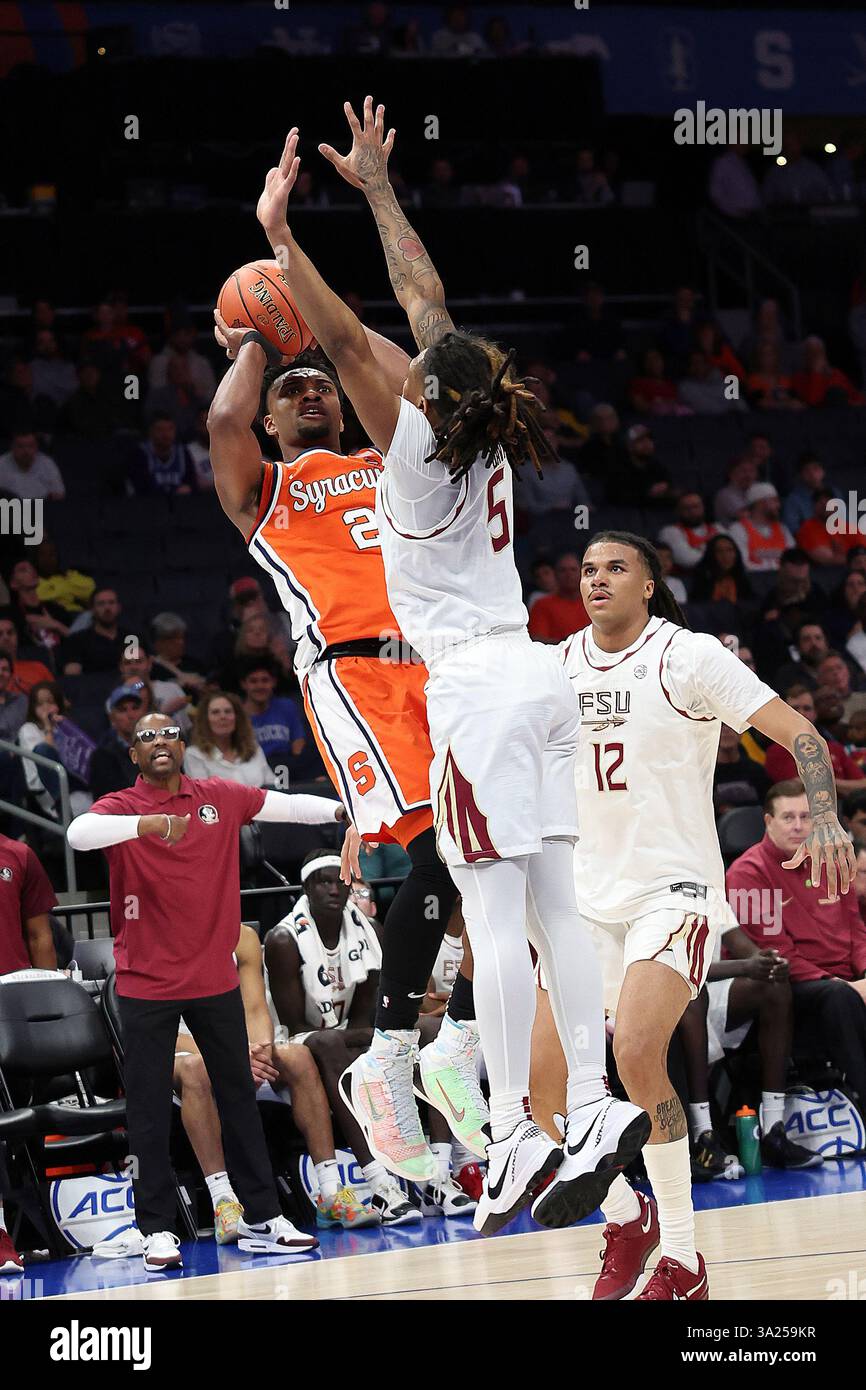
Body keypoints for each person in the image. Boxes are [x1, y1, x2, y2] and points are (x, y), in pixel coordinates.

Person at [268, 106, 649, 1237]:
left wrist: (284, 238)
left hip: (476, 693)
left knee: (491, 918)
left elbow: (347, 339)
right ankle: (586, 1103)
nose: (405, 362)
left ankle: (524, 1125)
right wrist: (381, 192)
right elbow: (426, 309)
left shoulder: (421, 449)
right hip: (537, 680)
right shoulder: (487, 429)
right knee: (554, 913)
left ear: (430, 393)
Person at [208, 136, 483, 1192]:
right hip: (356, 675)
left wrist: (312, 313)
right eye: (297, 392)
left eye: (317, 384)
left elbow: (397, 365)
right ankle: (398, 1057)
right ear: (277, 420)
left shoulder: (385, 458)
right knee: (422, 847)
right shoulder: (266, 494)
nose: (311, 392)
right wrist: (253, 338)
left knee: (471, 854)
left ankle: (439, 1041)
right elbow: (226, 419)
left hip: (441, 666)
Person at [557, 530, 854, 1300]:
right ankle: (628, 1217)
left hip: (673, 890)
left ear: (650, 584)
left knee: (636, 1057)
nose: (598, 580)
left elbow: (802, 735)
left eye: (617, 567)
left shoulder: (686, 656)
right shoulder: (557, 661)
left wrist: (825, 815)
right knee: (541, 1092)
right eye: (587, 569)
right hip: (583, 896)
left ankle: (684, 1259)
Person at [66, 712, 349, 1271]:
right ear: (135, 755)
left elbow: (283, 805)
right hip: (146, 982)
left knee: (240, 1096)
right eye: (146, 737)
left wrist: (345, 811)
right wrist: (145, 826)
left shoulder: (217, 795)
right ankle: (154, 1229)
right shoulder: (122, 808)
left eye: (167, 732)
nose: (159, 741)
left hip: (213, 976)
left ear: (182, 744)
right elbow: (78, 834)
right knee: (147, 1107)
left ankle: (263, 1218)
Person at [174, 921, 374, 1238]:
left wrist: (259, 1053)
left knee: (298, 1057)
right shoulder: (163, 940)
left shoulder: (243, 937)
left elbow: (255, 1009)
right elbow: (163, 1032)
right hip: (187, 1050)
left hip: (243, 1050)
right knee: (197, 1069)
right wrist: (230, 1059)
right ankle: (223, 1202)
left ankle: (331, 1191)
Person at [264, 851, 432, 1224]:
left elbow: (366, 1011)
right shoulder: (283, 940)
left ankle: (445, 1171)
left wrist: (363, 1036)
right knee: (327, 1045)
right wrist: (360, 1037)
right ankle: (379, 1182)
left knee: (425, 1030)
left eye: (340, 881)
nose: (334, 890)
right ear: (306, 888)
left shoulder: (369, 929)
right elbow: (294, 1029)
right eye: (323, 882)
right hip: (289, 1047)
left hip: (344, 1036)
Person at [726, 780, 866, 1111]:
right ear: (768, 821)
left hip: (845, 981)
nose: (799, 826)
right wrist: (847, 985)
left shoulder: (832, 861)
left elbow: (856, 930)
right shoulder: (749, 873)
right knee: (840, 998)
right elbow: (777, 956)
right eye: (788, 817)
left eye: (806, 816)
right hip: (790, 988)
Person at [677, 917, 821, 1173]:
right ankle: (703, 1136)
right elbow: (680, 968)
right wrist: (746, 966)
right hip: (670, 998)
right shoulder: (652, 887)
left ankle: (773, 1131)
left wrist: (769, 963)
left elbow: (742, 945)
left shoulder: (708, 886)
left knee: (774, 984)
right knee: (692, 994)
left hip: (709, 991)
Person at [183, 690, 275, 787]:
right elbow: (202, 796)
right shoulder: (194, 755)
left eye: (228, 711)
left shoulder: (253, 748)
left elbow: (271, 785)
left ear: (237, 718)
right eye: (215, 712)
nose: (223, 716)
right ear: (205, 720)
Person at [239, 657, 306, 773]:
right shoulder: (236, 712)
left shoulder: (286, 706)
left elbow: (298, 742)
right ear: (244, 684)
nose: (260, 686)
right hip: (250, 768)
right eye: (253, 681)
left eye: (265, 680)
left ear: (273, 682)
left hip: (285, 766)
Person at [88, 685, 146, 799]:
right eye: (122, 710)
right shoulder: (102, 756)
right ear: (112, 719)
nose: (131, 715)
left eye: (135, 708)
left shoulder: (157, 747)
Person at [727, 483, 795, 573]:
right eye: (774, 501)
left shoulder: (782, 529)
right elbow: (742, 564)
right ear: (760, 503)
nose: (778, 505)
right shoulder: (738, 529)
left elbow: (793, 560)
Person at [604, 424, 675, 509]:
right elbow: (618, 497)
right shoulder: (618, 469)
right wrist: (648, 493)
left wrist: (665, 486)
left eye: (649, 439)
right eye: (640, 441)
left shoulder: (656, 465)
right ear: (629, 446)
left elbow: (669, 482)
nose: (647, 444)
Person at [128, 415, 198, 496]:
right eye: (160, 429)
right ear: (151, 432)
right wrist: (170, 492)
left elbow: (193, 484)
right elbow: (140, 487)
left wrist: (189, 488)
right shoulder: (140, 454)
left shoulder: (182, 452)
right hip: (150, 504)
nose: (165, 434)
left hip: (181, 503)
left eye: (170, 429)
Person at [527, 552, 590, 643]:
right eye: (563, 570)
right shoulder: (542, 605)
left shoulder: (595, 603)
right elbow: (538, 640)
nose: (569, 574)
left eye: (573, 569)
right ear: (555, 574)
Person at [62, 589, 124, 676]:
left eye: (111, 602)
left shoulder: (133, 637)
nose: (107, 608)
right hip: (93, 688)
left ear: (119, 608)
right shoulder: (77, 640)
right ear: (92, 610)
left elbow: (146, 672)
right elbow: (72, 677)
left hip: (133, 688)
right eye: (101, 604)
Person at [657, 492, 721, 572]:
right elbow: (688, 560)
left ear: (704, 507)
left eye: (696, 506)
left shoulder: (717, 528)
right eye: (686, 508)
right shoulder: (670, 532)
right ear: (678, 511)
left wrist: (702, 550)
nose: (692, 511)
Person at [688, 533, 754, 606]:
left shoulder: (741, 577)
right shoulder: (702, 579)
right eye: (719, 551)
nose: (725, 556)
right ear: (711, 554)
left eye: (729, 550)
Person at [0, 430, 65, 501]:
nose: (26, 451)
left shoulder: (47, 463)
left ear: (36, 447)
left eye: (30, 446)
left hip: (43, 507)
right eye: (20, 446)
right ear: (12, 447)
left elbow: (59, 494)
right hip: (11, 508)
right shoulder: (1, 463)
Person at [0, 614, 53, 696]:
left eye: (10, 633)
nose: (6, 637)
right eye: (0, 634)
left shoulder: (38, 668)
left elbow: (60, 702)